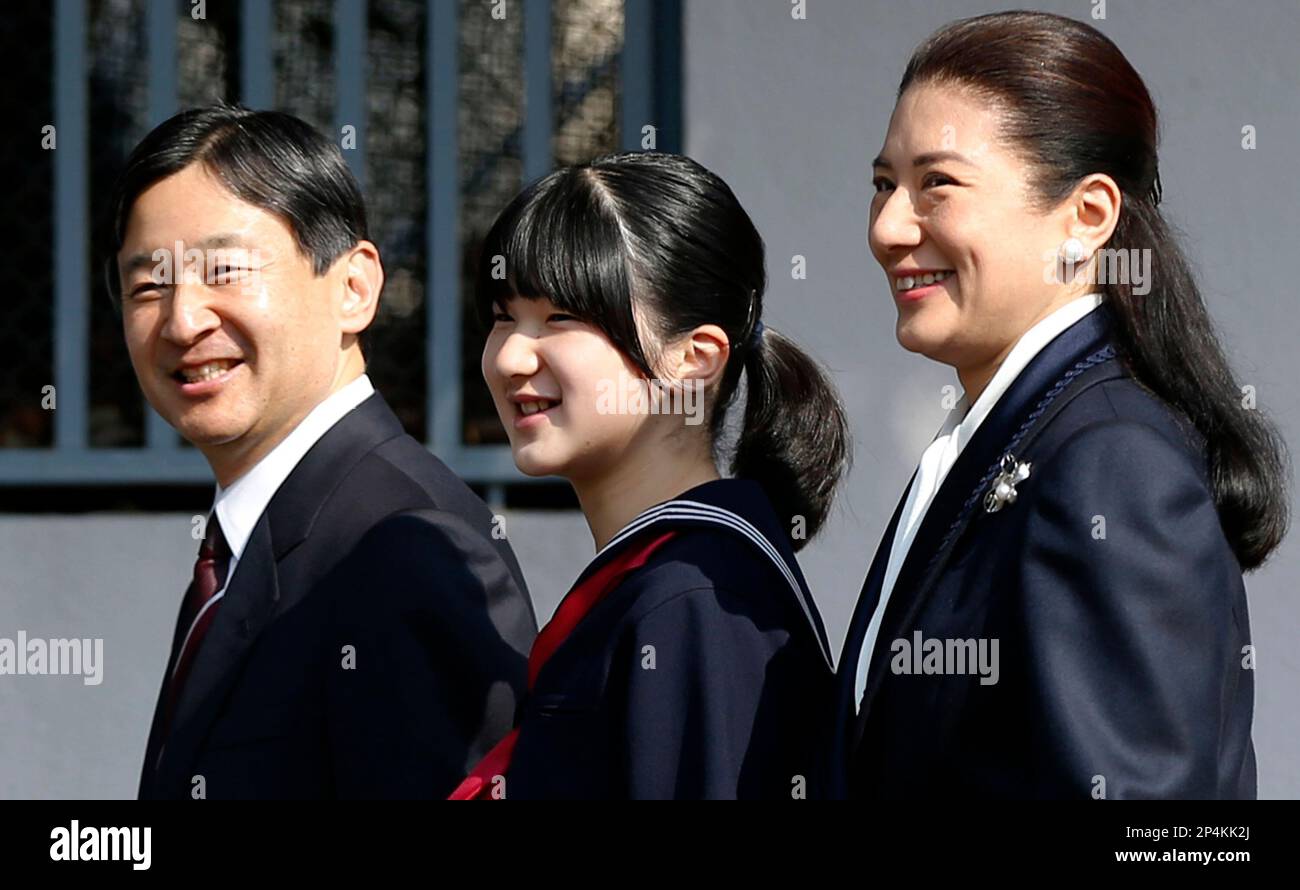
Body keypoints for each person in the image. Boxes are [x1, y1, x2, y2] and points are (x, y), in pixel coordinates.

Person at [833, 11, 1290, 799]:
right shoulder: (1013, 435)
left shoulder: (1110, 463)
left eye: (936, 184)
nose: (887, 228)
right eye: (883, 184)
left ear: (1086, 217)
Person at [113, 105, 537, 799]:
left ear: (353, 288)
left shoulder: (407, 548)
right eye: (148, 284)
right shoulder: (256, 539)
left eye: (225, 269)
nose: (183, 319)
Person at [452, 151, 850, 799]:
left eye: (561, 319)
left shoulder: (698, 604)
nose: (512, 357)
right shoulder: (667, 584)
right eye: (503, 316)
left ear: (694, 360)